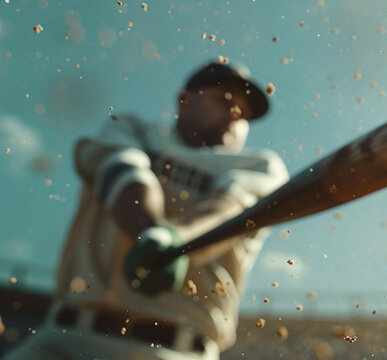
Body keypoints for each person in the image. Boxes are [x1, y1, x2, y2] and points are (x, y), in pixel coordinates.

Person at [4, 62, 289, 359]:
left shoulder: (261, 165)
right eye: (224, 101)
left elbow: (231, 206)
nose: (234, 116)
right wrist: (151, 232)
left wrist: (173, 238)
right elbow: (126, 175)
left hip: (178, 351)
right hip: (71, 343)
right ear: (185, 99)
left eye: (244, 114)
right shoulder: (132, 129)